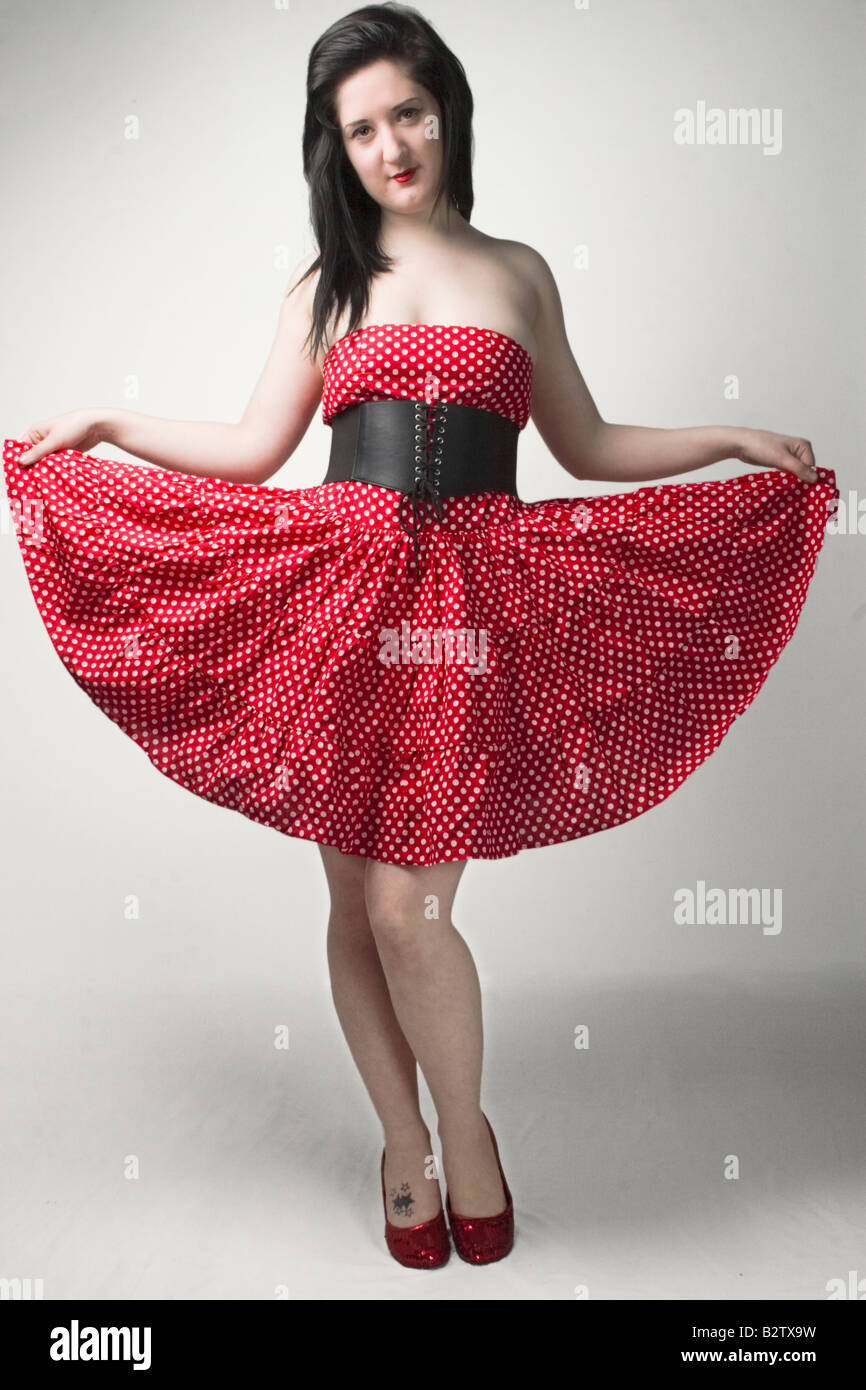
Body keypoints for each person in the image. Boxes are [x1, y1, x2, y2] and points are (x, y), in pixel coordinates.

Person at [3, 4, 837, 1271]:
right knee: (352, 902)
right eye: (359, 129)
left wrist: (726, 437)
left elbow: (584, 446)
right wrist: (111, 424)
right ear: (332, 149)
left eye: (407, 113)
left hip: (467, 620)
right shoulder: (326, 287)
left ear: (446, 112)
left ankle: (466, 1128)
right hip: (339, 606)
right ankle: (404, 1144)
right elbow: (253, 450)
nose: (389, 146)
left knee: (408, 910)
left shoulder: (518, 273)